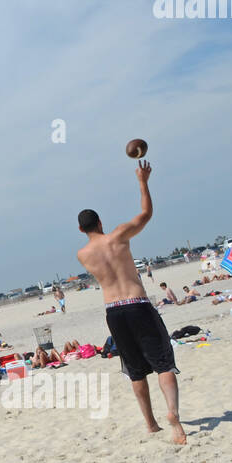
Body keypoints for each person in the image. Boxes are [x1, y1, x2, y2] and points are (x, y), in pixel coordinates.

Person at [76, 160, 186, 445]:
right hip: (137, 304)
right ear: (100, 222)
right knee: (163, 364)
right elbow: (146, 213)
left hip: (114, 311)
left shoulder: (83, 255)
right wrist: (143, 181)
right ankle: (172, 414)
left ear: (81, 229)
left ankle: (150, 424)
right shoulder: (119, 235)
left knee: (135, 370)